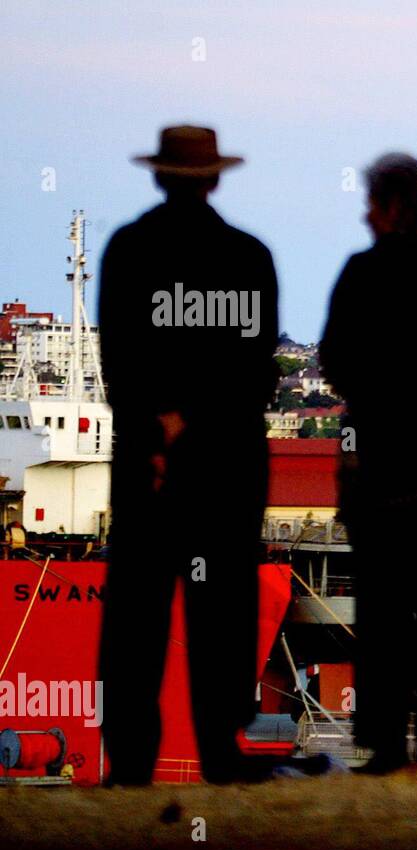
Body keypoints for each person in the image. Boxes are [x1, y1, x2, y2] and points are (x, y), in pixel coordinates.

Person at [97, 125, 280, 785]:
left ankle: (130, 762)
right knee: (224, 608)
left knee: (135, 615)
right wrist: (197, 418)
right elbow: (255, 370)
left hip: (145, 463)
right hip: (226, 461)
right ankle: (221, 748)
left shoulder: (126, 250)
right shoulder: (249, 257)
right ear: (214, 178)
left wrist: (157, 428)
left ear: (157, 175)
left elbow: (117, 357)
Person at [319, 152, 417, 774]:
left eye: (373, 201)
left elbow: (334, 358)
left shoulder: (362, 271)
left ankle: (383, 743)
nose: (365, 212)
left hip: (378, 463)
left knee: (381, 611)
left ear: (390, 207)